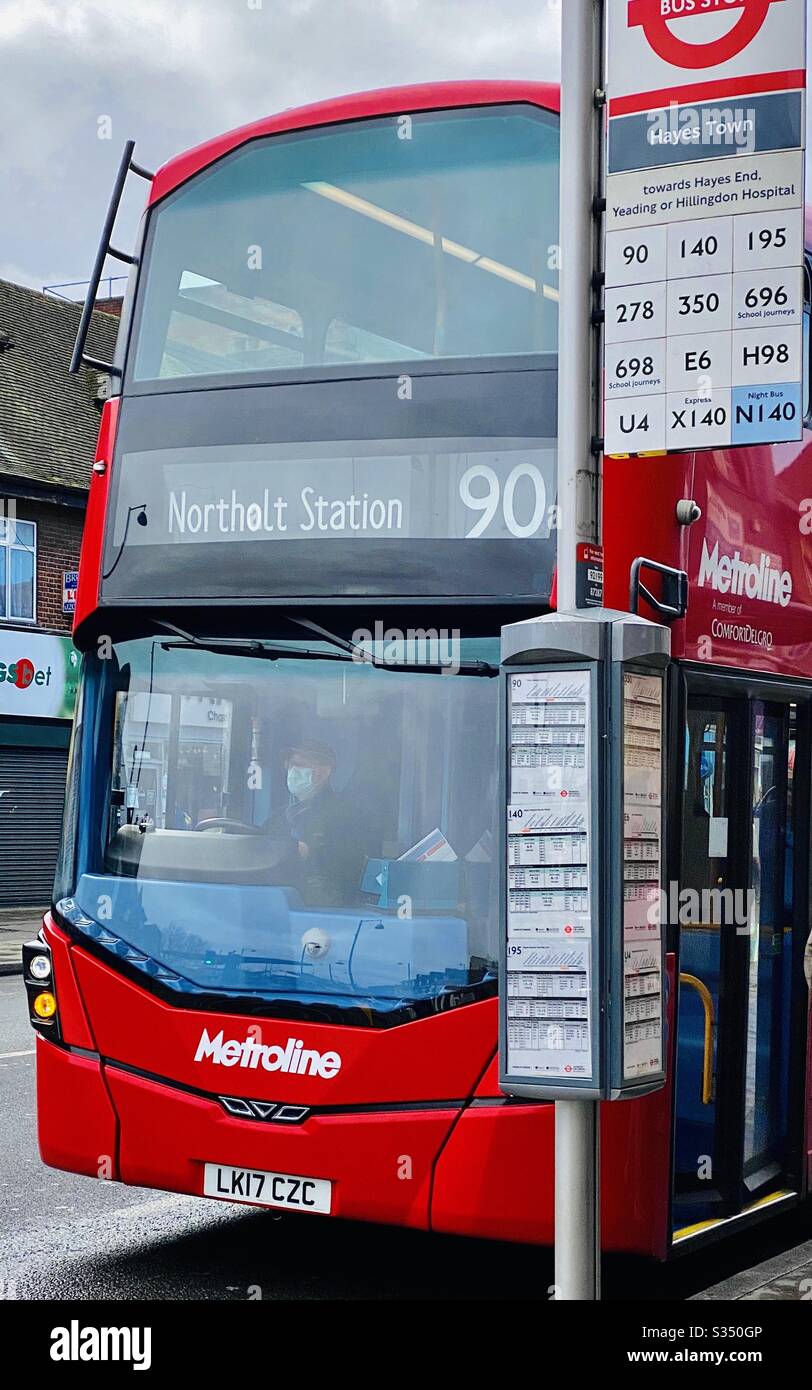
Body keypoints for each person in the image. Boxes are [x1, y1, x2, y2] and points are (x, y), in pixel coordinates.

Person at [268, 737, 365, 908]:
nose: (292, 771)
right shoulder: (277, 816)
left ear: (323, 772)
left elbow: (348, 869)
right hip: (275, 906)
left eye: (299, 765)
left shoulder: (347, 815)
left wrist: (307, 851)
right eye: (290, 765)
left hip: (326, 911)